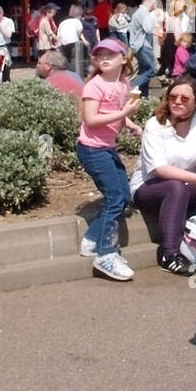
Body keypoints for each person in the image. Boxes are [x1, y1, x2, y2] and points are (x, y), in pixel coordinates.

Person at [130, 75, 196, 275]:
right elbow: (159, 169)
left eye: (184, 99)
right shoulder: (155, 125)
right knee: (175, 187)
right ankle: (169, 253)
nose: (177, 102)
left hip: (189, 188)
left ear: (195, 102)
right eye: (173, 97)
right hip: (150, 187)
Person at [76, 38, 143, 281]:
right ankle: (105, 254)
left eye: (110, 55)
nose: (104, 58)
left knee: (123, 195)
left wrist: (130, 123)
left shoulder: (123, 83)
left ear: (123, 59)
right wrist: (125, 113)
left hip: (106, 147)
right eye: (100, 55)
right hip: (92, 149)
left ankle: (92, 240)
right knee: (115, 197)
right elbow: (92, 120)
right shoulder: (95, 86)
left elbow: (114, 113)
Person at [127, 0, 161, 95]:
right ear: (151, 4)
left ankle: (143, 95)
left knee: (144, 71)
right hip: (143, 45)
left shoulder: (139, 12)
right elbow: (148, 28)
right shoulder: (144, 13)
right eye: (155, 5)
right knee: (151, 70)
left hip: (138, 45)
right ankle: (132, 87)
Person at [57, 9, 89, 78]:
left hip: (63, 42)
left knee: (66, 58)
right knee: (74, 58)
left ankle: (66, 73)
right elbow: (80, 30)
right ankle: (74, 74)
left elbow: (58, 35)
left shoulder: (61, 23)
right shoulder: (77, 21)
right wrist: (78, 38)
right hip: (74, 41)